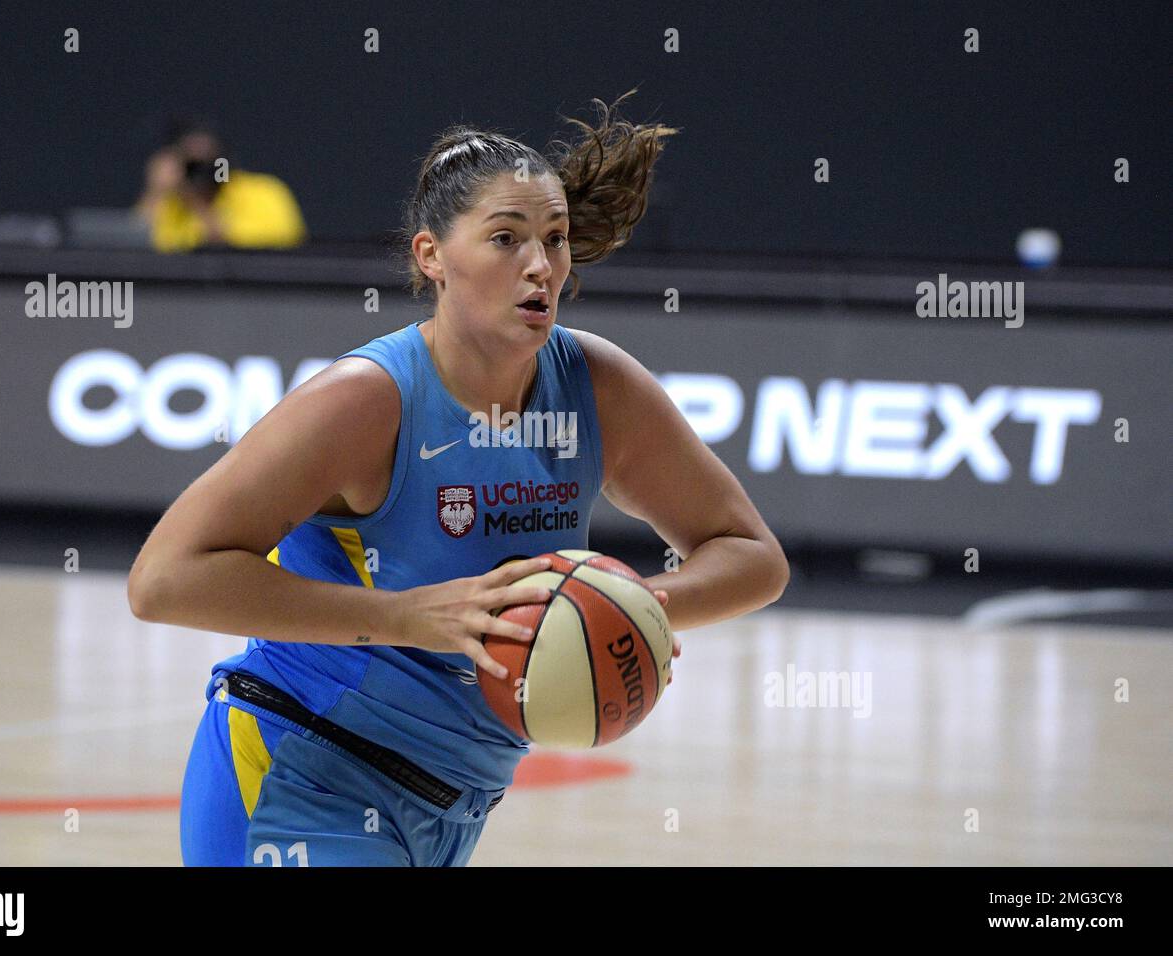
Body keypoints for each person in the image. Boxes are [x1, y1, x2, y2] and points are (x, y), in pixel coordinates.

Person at [127, 90, 789, 867]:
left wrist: (630, 609)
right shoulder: (366, 401)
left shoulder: (597, 385)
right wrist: (406, 616)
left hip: (454, 806)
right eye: (506, 239)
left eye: (554, 239)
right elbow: (162, 580)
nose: (539, 266)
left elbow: (751, 553)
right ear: (431, 256)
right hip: (302, 772)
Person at [135, 123, 307, 253]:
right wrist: (156, 191)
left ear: (223, 162)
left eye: (208, 162)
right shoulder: (172, 202)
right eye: (191, 164)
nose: (200, 170)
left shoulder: (263, 193)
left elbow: (230, 251)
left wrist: (198, 203)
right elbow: (136, 247)